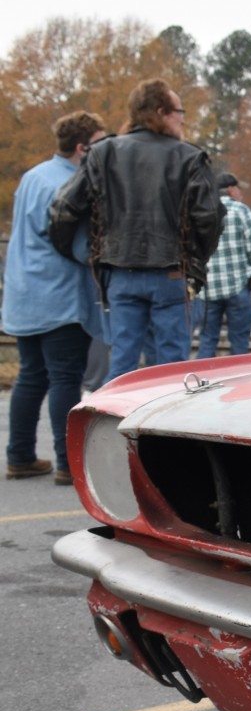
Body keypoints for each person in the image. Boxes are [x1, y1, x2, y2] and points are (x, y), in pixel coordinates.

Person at [49, 79, 221, 382]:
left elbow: (63, 209)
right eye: (179, 111)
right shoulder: (190, 157)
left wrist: (81, 253)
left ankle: (116, 428)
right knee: (173, 372)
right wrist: (195, 261)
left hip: (120, 273)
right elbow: (208, 218)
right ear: (161, 111)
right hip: (170, 272)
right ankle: (165, 429)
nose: (183, 118)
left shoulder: (102, 153)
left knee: (122, 366)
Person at [3, 111, 108, 484]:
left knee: (31, 376)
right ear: (82, 148)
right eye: (99, 142)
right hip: (59, 294)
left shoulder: (32, 177)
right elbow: (78, 247)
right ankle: (68, 463)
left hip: (23, 293)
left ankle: (20, 456)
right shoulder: (72, 185)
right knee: (66, 377)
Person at [196, 172, 251, 358]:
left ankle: (202, 380)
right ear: (231, 190)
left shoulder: (201, 212)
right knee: (240, 340)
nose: (241, 193)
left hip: (207, 289)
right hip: (238, 285)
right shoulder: (241, 210)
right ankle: (240, 382)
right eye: (239, 189)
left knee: (207, 339)